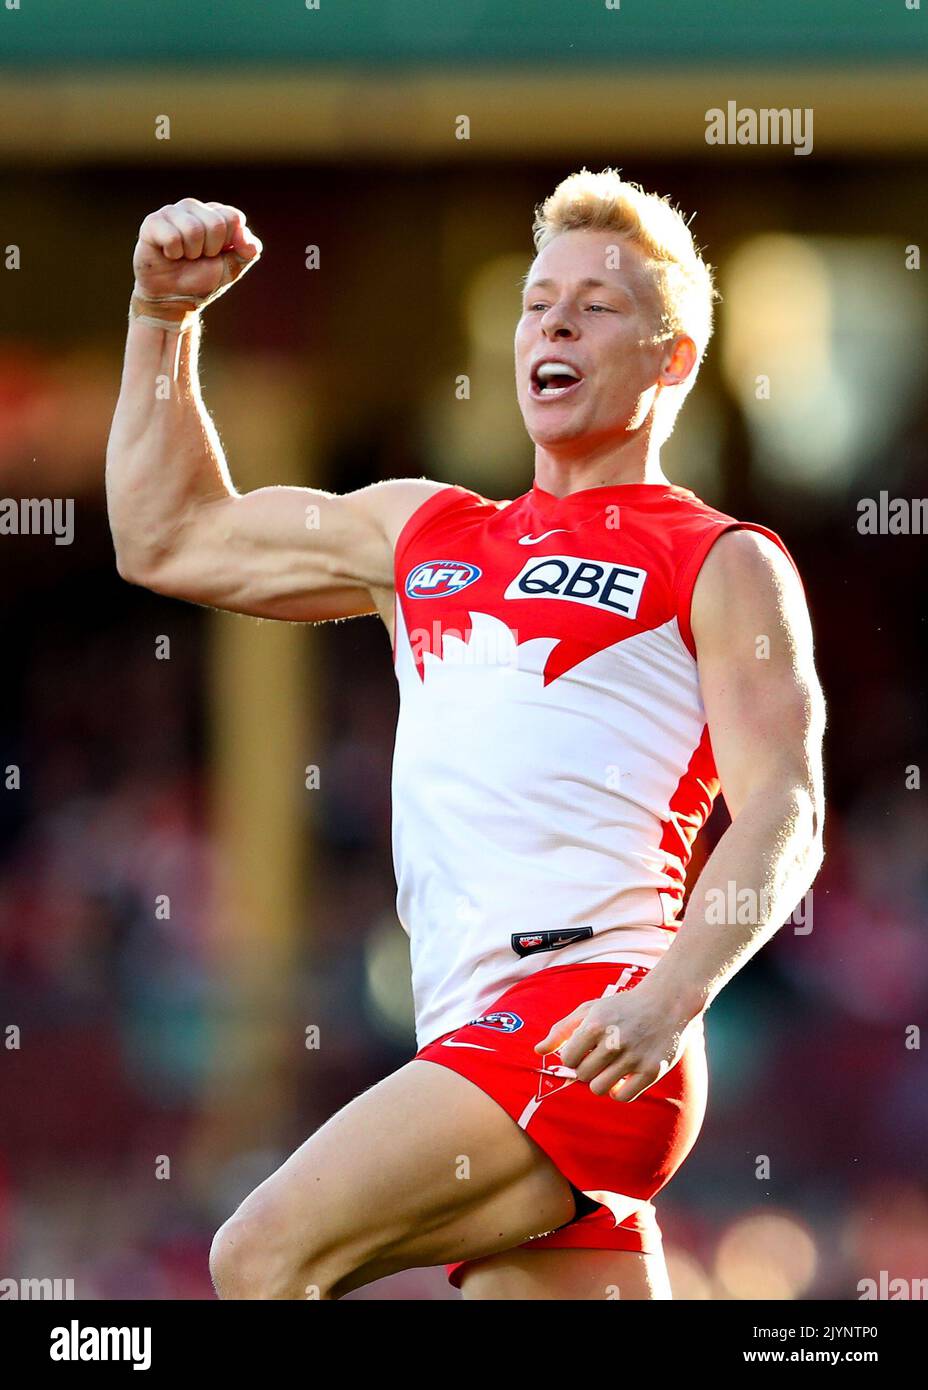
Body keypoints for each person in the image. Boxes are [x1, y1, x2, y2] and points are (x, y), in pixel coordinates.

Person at [106, 169, 826, 1301]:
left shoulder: (720, 557)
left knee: (256, 1256)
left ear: (672, 356)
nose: (554, 321)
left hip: (586, 1016)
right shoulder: (423, 528)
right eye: (539, 300)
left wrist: (667, 996)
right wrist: (161, 320)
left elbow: (786, 808)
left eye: (596, 305)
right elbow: (166, 538)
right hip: (475, 1034)